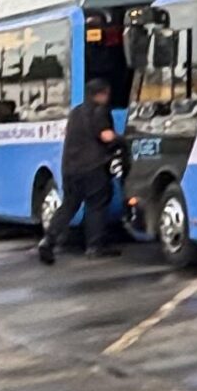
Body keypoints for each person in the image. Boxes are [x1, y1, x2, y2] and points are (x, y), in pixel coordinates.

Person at [36, 77, 120, 264]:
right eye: (106, 93)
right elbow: (106, 136)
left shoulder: (75, 113)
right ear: (101, 94)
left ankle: (48, 240)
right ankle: (94, 247)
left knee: (68, 206)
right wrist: (121, 140)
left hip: (70, 168)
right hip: (93, 167)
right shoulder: (100, 111)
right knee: (97, 205)